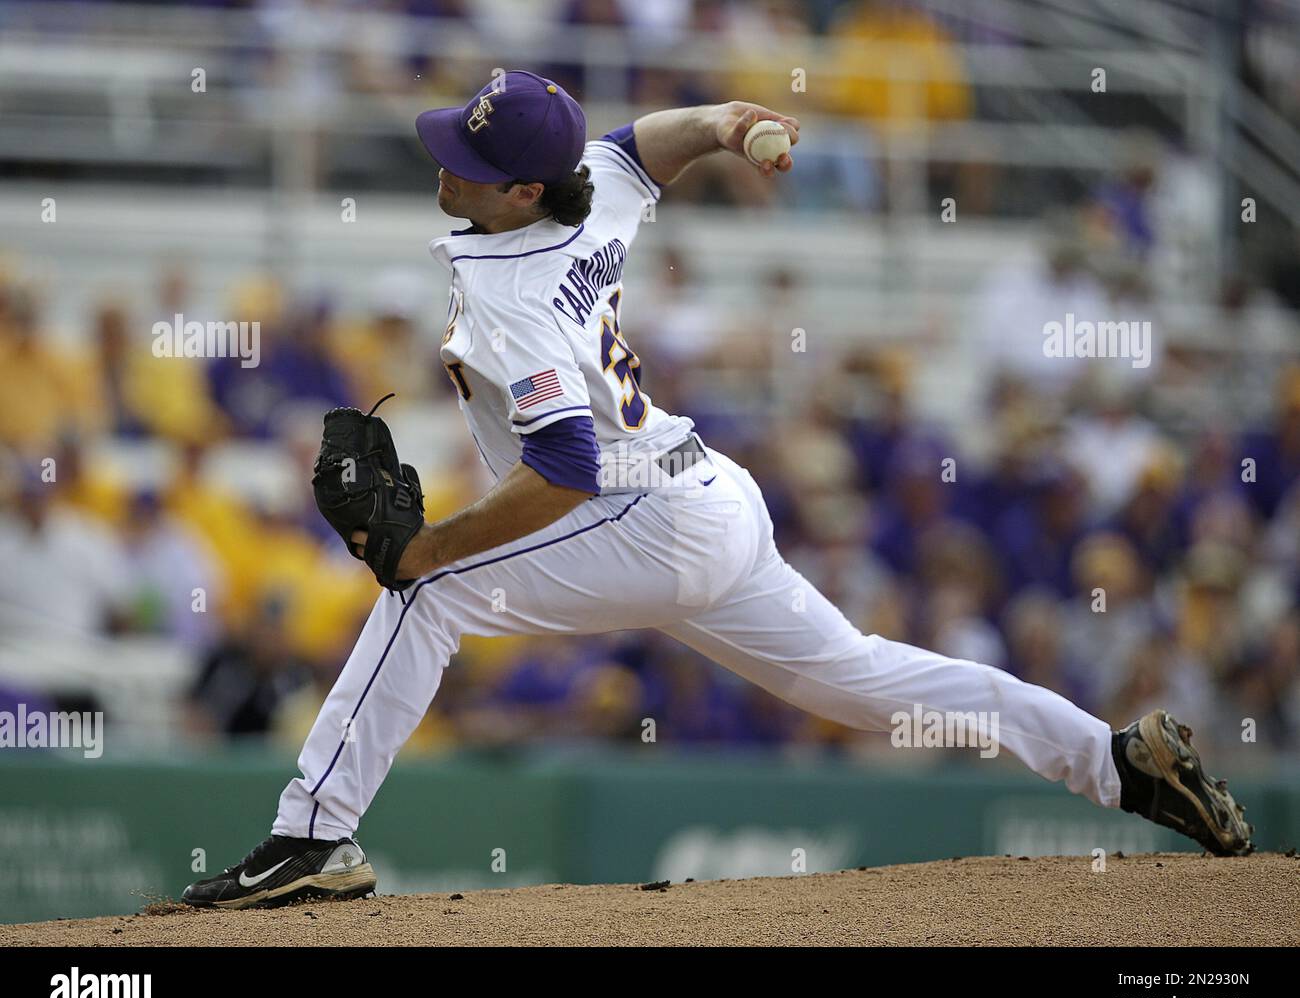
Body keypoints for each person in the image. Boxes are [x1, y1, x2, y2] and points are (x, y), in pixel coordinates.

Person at [183, 71, 1251, 909]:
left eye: (467, 159)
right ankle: (1113, 762)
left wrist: (425, 549)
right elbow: (646, 145)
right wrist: (730, 124)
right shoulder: (579, 195)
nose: (443, 164)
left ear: (517, 190)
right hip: (707, 496)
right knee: (865, 683)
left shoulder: (512, 291)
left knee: (428, 590)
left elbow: (563, 470)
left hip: (640, 513)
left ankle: (312, 834)